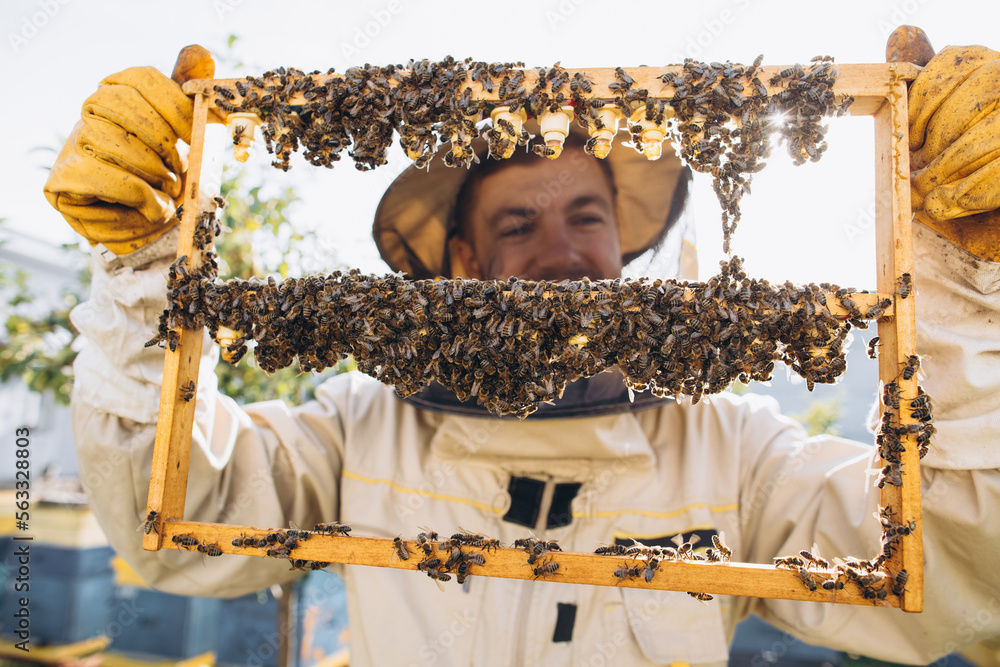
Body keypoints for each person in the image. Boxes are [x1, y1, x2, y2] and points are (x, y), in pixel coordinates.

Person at [43, 34, 1000, 667]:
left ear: (621, 245)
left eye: (588, 216)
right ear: (461, 260)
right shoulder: (358, 427)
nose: (561, 254)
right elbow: (174, 521)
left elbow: (960, 573)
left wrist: (957, 268)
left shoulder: (735, 451)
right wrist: (144, 269)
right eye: (516, 223)